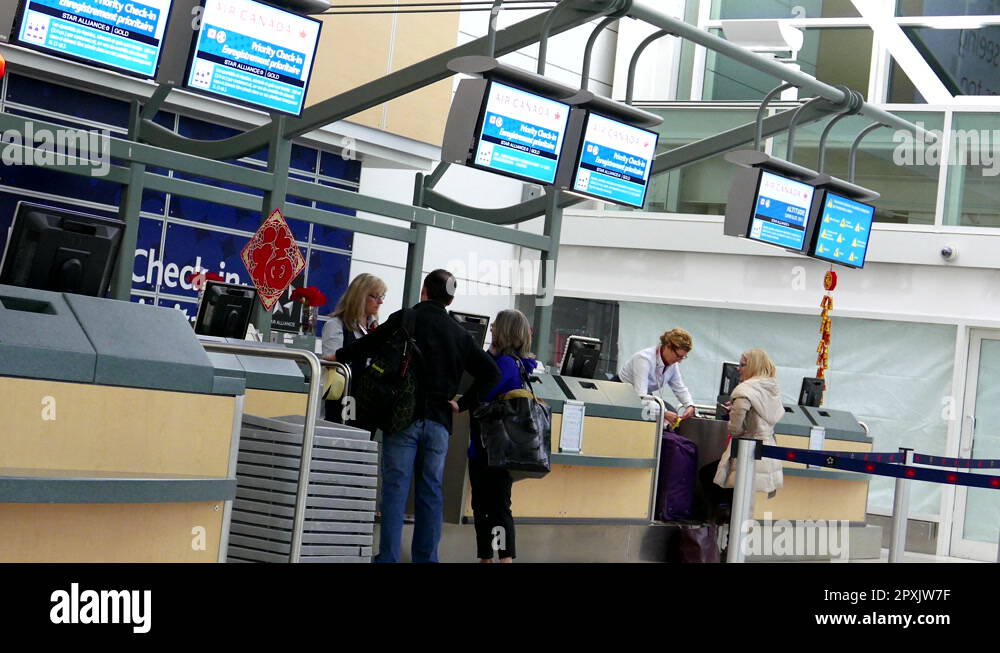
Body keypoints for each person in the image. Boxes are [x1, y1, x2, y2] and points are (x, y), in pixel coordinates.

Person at [335, 269, 501, 563]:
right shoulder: (460, 334)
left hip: (401, 418)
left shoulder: (406, 318)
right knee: (431, 492)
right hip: (439, 421)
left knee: (395, 490)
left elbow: (366, 346)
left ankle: (387, 557)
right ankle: (426, 558)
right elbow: (491, 373)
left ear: (424, 290)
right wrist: (461, 405)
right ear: (450, 299)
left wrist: (337, 356)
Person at [455, 309, 535, 563]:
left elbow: (483, 392)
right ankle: (494, 558)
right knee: (496, 505)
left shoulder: (503, 365)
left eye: (496, 327)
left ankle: (498, 559)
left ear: (505, 331)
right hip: (505, 447)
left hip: (489, 447)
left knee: (489, 507)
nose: (491, 330)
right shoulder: (521, 365)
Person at [712, 348, 784, 497]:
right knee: (746, 496)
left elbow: (735, 428)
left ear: (753, 366)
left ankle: (722, 519)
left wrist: (733, 416)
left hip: (746, 449)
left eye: (742, 364)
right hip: (767, 447)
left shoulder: (745, 390)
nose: (738, 368)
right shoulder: (771, 389)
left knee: (716, 481)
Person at [321, 273, 385, 427]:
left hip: (368, 401)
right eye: (376, 296)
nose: (380, 302)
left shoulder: (375, 328)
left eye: (382, 296)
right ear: (360, 296)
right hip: (344, 399)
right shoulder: (336, 325)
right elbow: (334, 364)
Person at [616, 328, 696, 423]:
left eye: (683, 357)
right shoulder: (644, 359)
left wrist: (689, 405)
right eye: (678, 356)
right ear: (668, 346)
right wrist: (664, 413)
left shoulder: (673, 364)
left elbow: (680, 388)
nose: (679, 361)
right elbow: (640, 396)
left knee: (672, 414)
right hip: (621, 394)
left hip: (643, 395)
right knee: (663, 414)